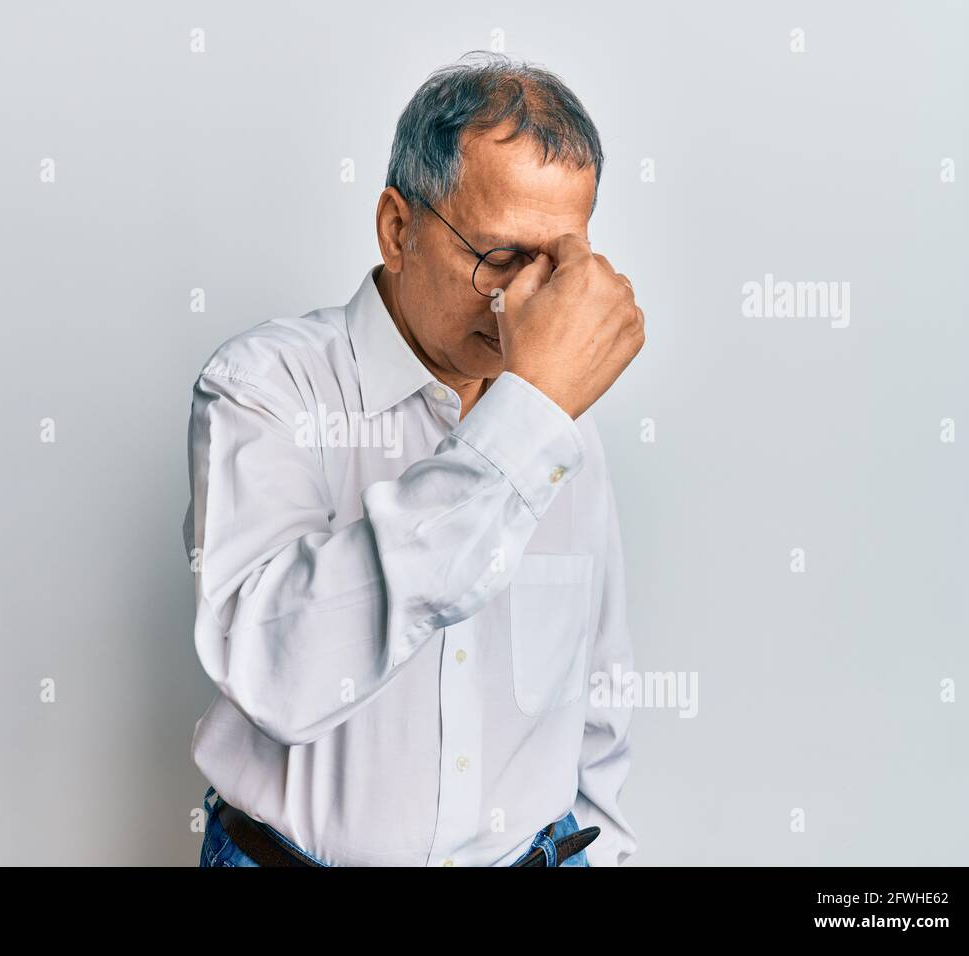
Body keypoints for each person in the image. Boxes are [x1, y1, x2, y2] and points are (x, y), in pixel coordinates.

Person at [183, 52, 645, 867]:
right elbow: (281, 679)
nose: (523, 305)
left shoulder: (565, 423)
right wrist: (526, 423)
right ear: (399, 230)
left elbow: (596, 694)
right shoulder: (263, 389)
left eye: (557, 264)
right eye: (500, 257)